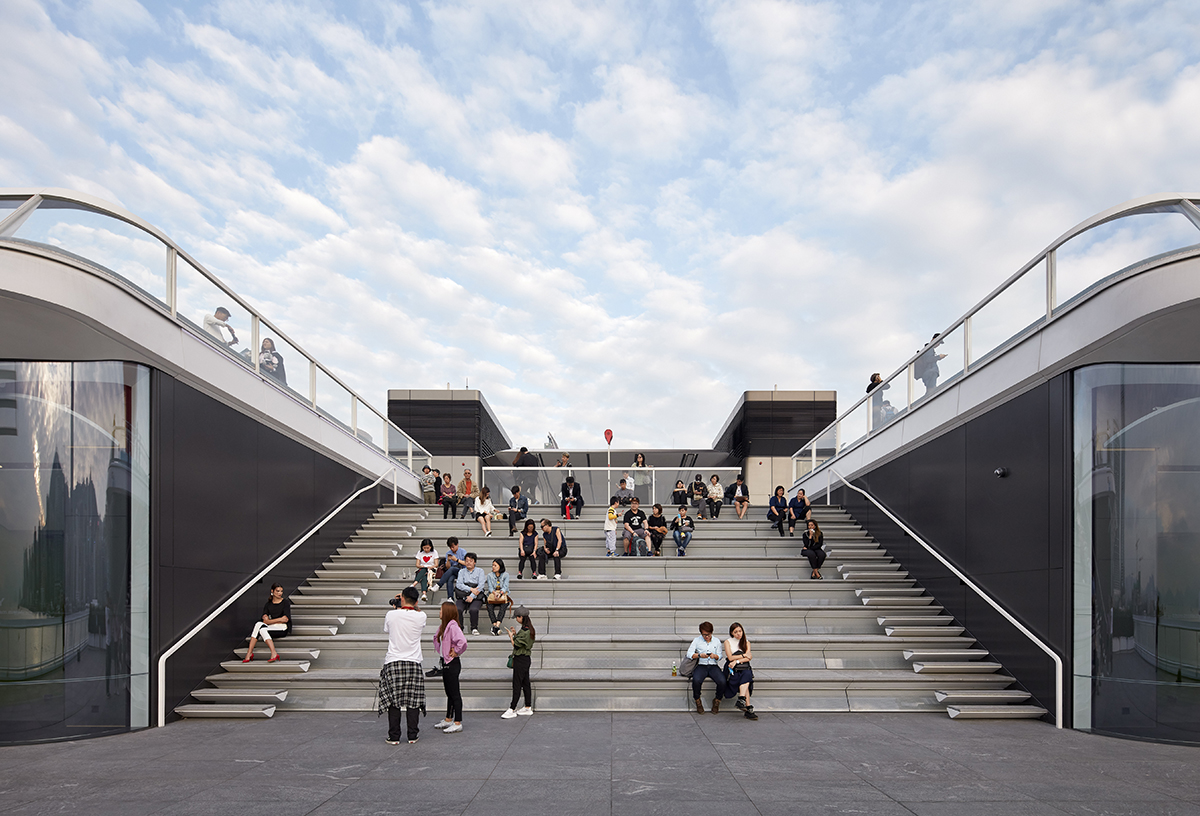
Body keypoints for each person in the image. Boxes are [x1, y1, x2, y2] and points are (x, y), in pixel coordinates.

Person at [378, 586, 427, 744]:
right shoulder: (421, 616)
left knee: (394, 701)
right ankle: (412, 735)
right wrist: (410, 603)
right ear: (417, 601)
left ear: (402, 598)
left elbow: (387, 629)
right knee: (413, 701)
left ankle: (394, 736)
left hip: (393, 661)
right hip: (413, 662)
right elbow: (416, 610)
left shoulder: (391, 615)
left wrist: (398, 605)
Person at [432, 600, 467, 733]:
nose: (439, 612)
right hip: (446, 662)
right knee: (449, 692)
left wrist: (456, 651)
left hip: (452, 664)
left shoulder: (453, 627)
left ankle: (457, 722)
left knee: (455, 693)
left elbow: (462, 641)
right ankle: (448, 719)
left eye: (441, 610)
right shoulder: (444, 626)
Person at [242, 582, 290, 662]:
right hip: (272, 627)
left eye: (281, 591)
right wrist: (277, 620)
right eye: (277, 591)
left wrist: (270, 621)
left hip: (282, 628)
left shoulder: (285, 603)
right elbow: (265, 621)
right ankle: (249, 652)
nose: (280, 593)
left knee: (262, 630)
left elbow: (285, 619)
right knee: (258, 624)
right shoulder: (268, 605)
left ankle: (273, 652)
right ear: (272, 591)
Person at [502, 606, 535, 719]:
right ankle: (527, 706)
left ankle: (512, 708)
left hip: (520, 660)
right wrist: (515, 634)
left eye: (517, 617)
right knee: (525, 683)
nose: (516, 619)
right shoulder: (527, 629)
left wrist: (511, 637)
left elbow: (516, 645)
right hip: (525, 659)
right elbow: (522, 642)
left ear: (521, 617)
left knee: (517, 684)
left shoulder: (525, 631)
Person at [688, 621, 726, 714]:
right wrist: (700, 655)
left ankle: (717, 700)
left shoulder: (716, 641)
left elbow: (720, 656)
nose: (706, 637)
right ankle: (698, 701)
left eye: (708, 634)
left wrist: (715, 656)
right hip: (702, 665)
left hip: (713, 665)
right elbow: (689, 654)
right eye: (704, 634)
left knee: (722, 681)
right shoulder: (697, 640)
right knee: (696, 680)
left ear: (711, 632)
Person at [723, 622, 757, 720]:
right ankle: (748, 707)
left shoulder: (746, 642)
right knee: (746, 677)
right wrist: (743, 656)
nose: (738, 633)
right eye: (735, 632)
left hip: (743, 666)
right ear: (732, 633)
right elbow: (730, 657)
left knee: (747, 674)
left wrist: (736, 661)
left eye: (740, 631)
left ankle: (742, 699)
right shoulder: (727, 642)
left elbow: (749, 657)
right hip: (731, 668)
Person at [454, 552, 487, 635]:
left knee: (474, 609)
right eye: (467, 561)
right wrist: (471, 589)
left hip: (476, 596)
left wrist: (472, 596)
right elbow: (459, 584)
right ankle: (459, 628)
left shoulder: (480, 571)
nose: (468, 562)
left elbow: (481, 585)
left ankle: (474, 628)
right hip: (463, 594)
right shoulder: (461, 571)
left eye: (471, 561)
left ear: (474, 562)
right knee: (458, 609)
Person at [485, 558, 511, 636]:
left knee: (504, 606)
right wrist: (495, 593)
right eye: (492, 565)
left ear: (500, 566)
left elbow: (505, 586)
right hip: (493, 595)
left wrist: (500, 594)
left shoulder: (506, 575)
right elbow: (490, 587)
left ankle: (496, 626)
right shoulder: (490, 575)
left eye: (495, 565)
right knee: (489, 606)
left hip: (503, 595)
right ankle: (496, 626)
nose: (493, 567)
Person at [412, 538, 439, 603]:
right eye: (424, 548)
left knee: (425, 572)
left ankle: (414, 584)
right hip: (422, 569)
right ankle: (424, 594)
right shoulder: (420, 552)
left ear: (431, 547)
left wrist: (430, 567)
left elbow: (436, 564)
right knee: (424, 576)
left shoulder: (434, 552)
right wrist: (422, 566)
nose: (426, 550)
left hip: (431, 569)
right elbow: (417, 564)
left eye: (428, 548)